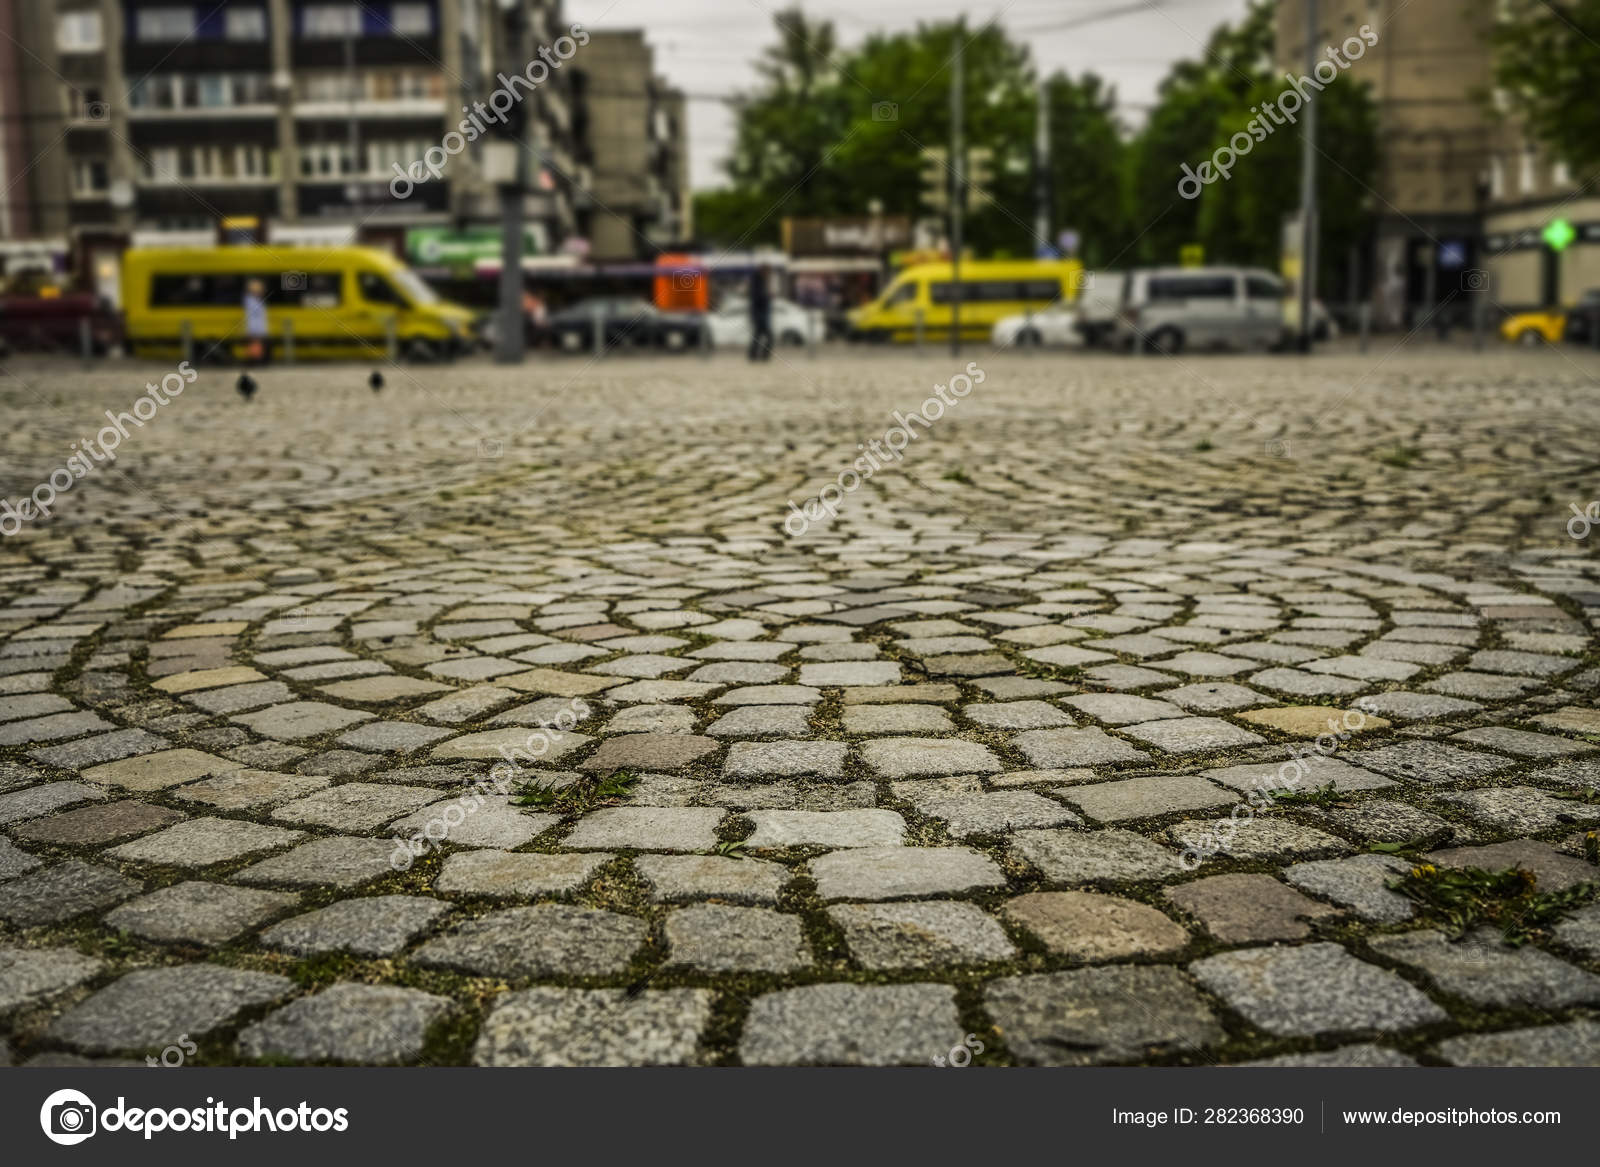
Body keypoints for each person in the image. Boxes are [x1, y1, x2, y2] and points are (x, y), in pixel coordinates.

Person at [747, 264, 773, 362]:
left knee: (758, 336)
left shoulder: (759, 281)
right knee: (769, 337)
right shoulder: (758, 282)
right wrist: (767, 296)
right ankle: (761, 356)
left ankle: (754, 355)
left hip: (760, 314)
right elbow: (757, 297)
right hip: (760, 314)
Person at [243, 278, 269, 365]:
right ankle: (254, 360)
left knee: (258, 345)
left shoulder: (258, 300)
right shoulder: (250, 300)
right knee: (255, 345)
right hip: (255, 328)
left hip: (258, 327)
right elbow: (254, 317)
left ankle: (257, 359)